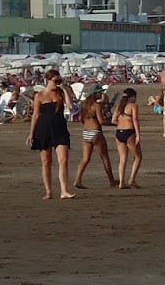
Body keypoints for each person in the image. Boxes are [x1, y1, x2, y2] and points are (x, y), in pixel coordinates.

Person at [28, 70, 75, 199]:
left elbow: (70, 106)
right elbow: (35, 115)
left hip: (60, 128)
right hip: (44, 129)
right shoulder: (40, 95)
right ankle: (48, 191)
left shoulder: (61, 93)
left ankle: (64, 190)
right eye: (56, 81)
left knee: (63, 160)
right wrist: (31, 133)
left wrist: (64, 89)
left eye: (59, 80)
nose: (57, 83)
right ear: (48, 80)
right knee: (46, 161)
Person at [72, 87, 117, 189]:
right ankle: (111, 180)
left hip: (86, 132)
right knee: (105, 157)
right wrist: (114, 124)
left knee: (85, 159)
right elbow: (101, 121)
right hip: (95, 132)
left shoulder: (84, 104)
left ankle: (77, 180)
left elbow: (80, 119)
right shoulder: (96, 105)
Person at [112, 88, 144, 189]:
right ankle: (132, 179)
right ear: (132, 97)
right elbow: (135, 120)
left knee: (122, 159)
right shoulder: (133, 106)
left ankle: (121, 182)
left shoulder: (119, 107)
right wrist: (138, 134)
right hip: (129, 132)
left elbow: (113, 121)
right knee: (138, 157)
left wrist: (122, 122)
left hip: (119, 132)